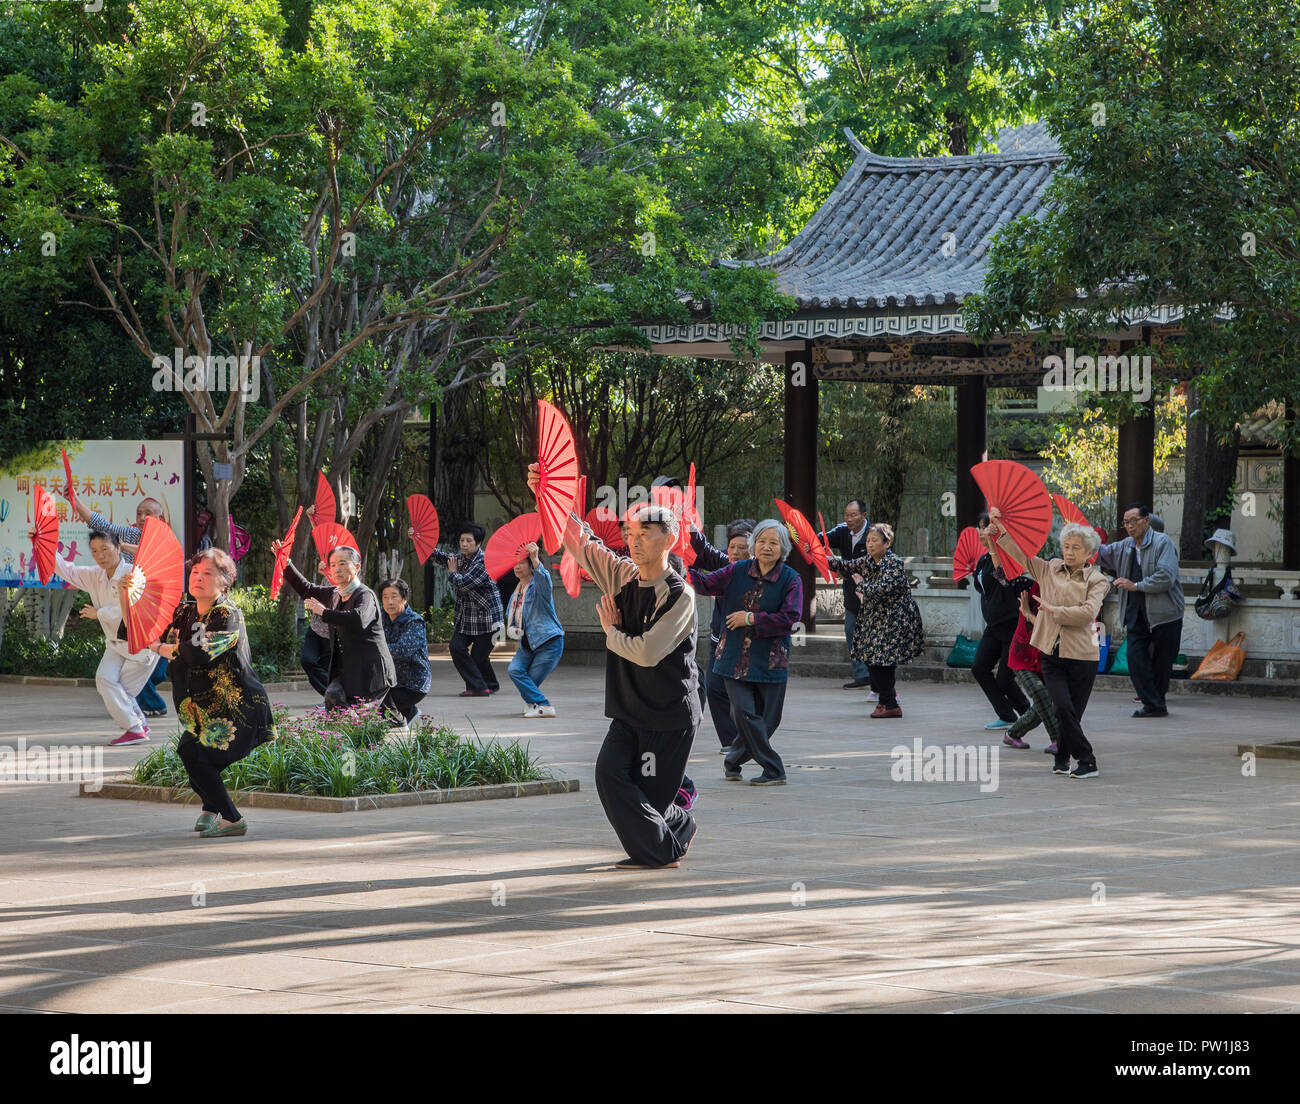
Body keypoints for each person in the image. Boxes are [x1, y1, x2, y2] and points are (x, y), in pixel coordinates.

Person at [529, 462, 698, 870]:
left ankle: (674, 826)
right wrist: (544, 495)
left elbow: (645, 652)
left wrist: (609, 631)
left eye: (645, 534)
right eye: (630, 535)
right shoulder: (622, 575)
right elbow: (581, 543)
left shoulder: (680, 595)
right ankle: (664, 849)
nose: (634, 542)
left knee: (650, 799)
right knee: (609, 775)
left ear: (669, 538)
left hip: (668, 714)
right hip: (629, 710)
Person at [150, 548, 275, 838]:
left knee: (194, 754)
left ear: (225, 581)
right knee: (195, 756)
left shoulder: (228, 615)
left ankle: (232, 819)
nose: (198, 578)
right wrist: (127, 594)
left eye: (207, 573)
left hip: (237, 709)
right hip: (201, 708)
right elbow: (141, 626)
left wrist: (158, 648)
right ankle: (210, 809)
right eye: (195, 572)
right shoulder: (182, 611)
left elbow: (198, 653)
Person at [991, 516, 1110, 779]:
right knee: (1061, 708)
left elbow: (1087, 613)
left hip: (1082, 655)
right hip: (1051, 653)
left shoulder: (1097, 580)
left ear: (1089, 553)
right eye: (1066, 546)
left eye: (1076, 547)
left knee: (1072, 714)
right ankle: (1087, 760)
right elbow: (1022, 556)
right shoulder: (1050, 569)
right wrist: (1000, 531)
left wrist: (1054, 610)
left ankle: (1061, 756)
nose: (1069, 551)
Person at [689, 519, 802, 786]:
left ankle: (733, 760)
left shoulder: (790, 579)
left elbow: (791, 618)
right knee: (744, 713)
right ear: (754, 545)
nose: (766, 547)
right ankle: (774, 768)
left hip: (771, 660)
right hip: (733, 658)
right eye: (762, 541)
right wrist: (681, 569)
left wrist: (751, 619)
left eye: (773, 543)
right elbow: (705, 585)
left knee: (768, 721)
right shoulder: (736, 571)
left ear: (783, 548)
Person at [50, 529, 160, 745]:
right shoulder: (95, 575)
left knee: (120, 690)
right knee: (104, 680)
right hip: (115, 643)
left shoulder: (133, 574)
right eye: (94, 551)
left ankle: (136, 727)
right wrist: (44, 544)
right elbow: (66, 570)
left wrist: (98, 613)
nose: (100, 555)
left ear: (118, 549)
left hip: (141, 645)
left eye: (105, 549)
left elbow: (131, 611)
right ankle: (137, 725)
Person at [279, 544, 397, 713]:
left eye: (342, 564)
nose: (336, 569)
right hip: (348, 670)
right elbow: (307, 589)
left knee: (369, 718)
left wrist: (324, 612)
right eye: (333, 565)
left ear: (356, 567)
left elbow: (358, 619)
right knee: (333, 696)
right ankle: (342, 735)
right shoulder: (335, 594)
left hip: (371, 672)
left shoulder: (365, 595)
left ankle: (398, 720)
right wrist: (286, 561)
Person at [1096, 502, 1184, 718]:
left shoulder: (1163, 543)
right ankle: (1152, 702)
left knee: (1162, 662)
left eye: (1133, 521)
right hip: (1135, 610)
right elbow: (1103, 554)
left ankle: (1156, 704)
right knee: (1135, 659)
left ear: (1146, 521)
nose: (1129, 526)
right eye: (1126, 522)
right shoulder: (1125, 545)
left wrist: (1136, 586)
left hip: (1165, 612)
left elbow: (1166, 576)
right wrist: (1081, 541)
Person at [828, 523, 923, 718]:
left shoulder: (893, 562)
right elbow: (846, 566)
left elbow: (883, 588)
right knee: (872, 658)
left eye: (874, 541)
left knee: (883, 660)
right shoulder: (869, 561)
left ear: (887, 543)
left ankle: (889, 703)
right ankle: (885, 701)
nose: (870, 545)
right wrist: (819, 555)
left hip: (895, 618)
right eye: (868, 541)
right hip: (876, 617)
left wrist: (862, 585)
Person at [688, 519, 754, 752]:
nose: (735, 552)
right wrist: (691, 530)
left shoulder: (760, 572)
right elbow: (704, 554)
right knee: (715, 687)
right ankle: (730, 741)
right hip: (720, 639)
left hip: (748, 642)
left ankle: (750, 740)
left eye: (742, 548)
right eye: (732, 547)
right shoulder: (726, 564)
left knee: (742, 694)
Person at [971, 512, 1033, 730]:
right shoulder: (984, 558)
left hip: (1012, 624)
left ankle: (1028, 712)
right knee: (979, 668)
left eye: (986, 527)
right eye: (980, 527)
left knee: (1005, 679)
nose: (982, 532)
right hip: (994, 625)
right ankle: (1007, 715)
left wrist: (993, 547)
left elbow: (1004, 579)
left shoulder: (1009, 556)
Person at [429, 523, 503, 697]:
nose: (464, 544)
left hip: (489, 620)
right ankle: (489, 684)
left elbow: (463, 585)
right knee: (457, 647)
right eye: (462, 540)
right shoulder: (461, 558)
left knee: (478, 657)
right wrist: (419, 541)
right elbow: (443, 557)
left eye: (469, 541)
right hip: (468, 619)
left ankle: (478, 687)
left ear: (478, 544)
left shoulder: (485, 562)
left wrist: (453, 572)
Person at [505, 541, 565, 718]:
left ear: (531, 566)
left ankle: (543, 706)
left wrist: (535, 558)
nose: (517, 566)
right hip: (527, 643)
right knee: (515, 671)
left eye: (522, 562)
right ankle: (534, 704)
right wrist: (511, 629)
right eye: (515, 563)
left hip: (548, 642)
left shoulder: (538, 587)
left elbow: (545, 580)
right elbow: (511, 615)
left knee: (529, 681)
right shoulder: (516, 591)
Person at [1000, 583, 1061, 753]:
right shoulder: (1026, 587)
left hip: (1046, 658)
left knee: (1043, 703)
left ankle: (1012, 733)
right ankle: (1057, 739)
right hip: (1022, 656)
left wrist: (1028, 614)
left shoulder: (1066, 592)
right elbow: (1002, 577)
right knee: (1040, 694)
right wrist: (993, 554)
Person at [819, 499, 873, 689]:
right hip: (851, 594)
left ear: (863, 516)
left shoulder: (875, 534)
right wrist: (810, 545)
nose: (849, 519)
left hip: (872, 594)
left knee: (872, 634)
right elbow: (820, 540)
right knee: (851, 630)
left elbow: (874, 561)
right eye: (846, 515)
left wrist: (842, 567)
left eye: (853, 515)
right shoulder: (842, 531)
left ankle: (878, 675)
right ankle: (861, 675)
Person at [380, 577, 431, 726]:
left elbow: (402, 650)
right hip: (389, 680)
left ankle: (402, 719)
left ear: (404, 598)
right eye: (385, 597)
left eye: (394, 597)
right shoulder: (380, 616)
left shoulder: (414, 621)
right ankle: (409, 712)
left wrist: (376, 647)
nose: (389, 602)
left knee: (380, 708)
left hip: (412, 683)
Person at [65, 490, 164, 565]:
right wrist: (75, 500)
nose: (142, 518)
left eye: (148, 513)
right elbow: (100, 525)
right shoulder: (131, 533)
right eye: (139, 513)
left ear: (160, 518)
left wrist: (124, 546)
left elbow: (150, 553)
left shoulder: (166, 541)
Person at [299, 559, 333, 697]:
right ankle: (335, 696)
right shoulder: (328, 569)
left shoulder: (352, 579)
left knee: (327, 667)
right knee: (307, 660)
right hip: (316, 626)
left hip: (332, 632)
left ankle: (333, 700)